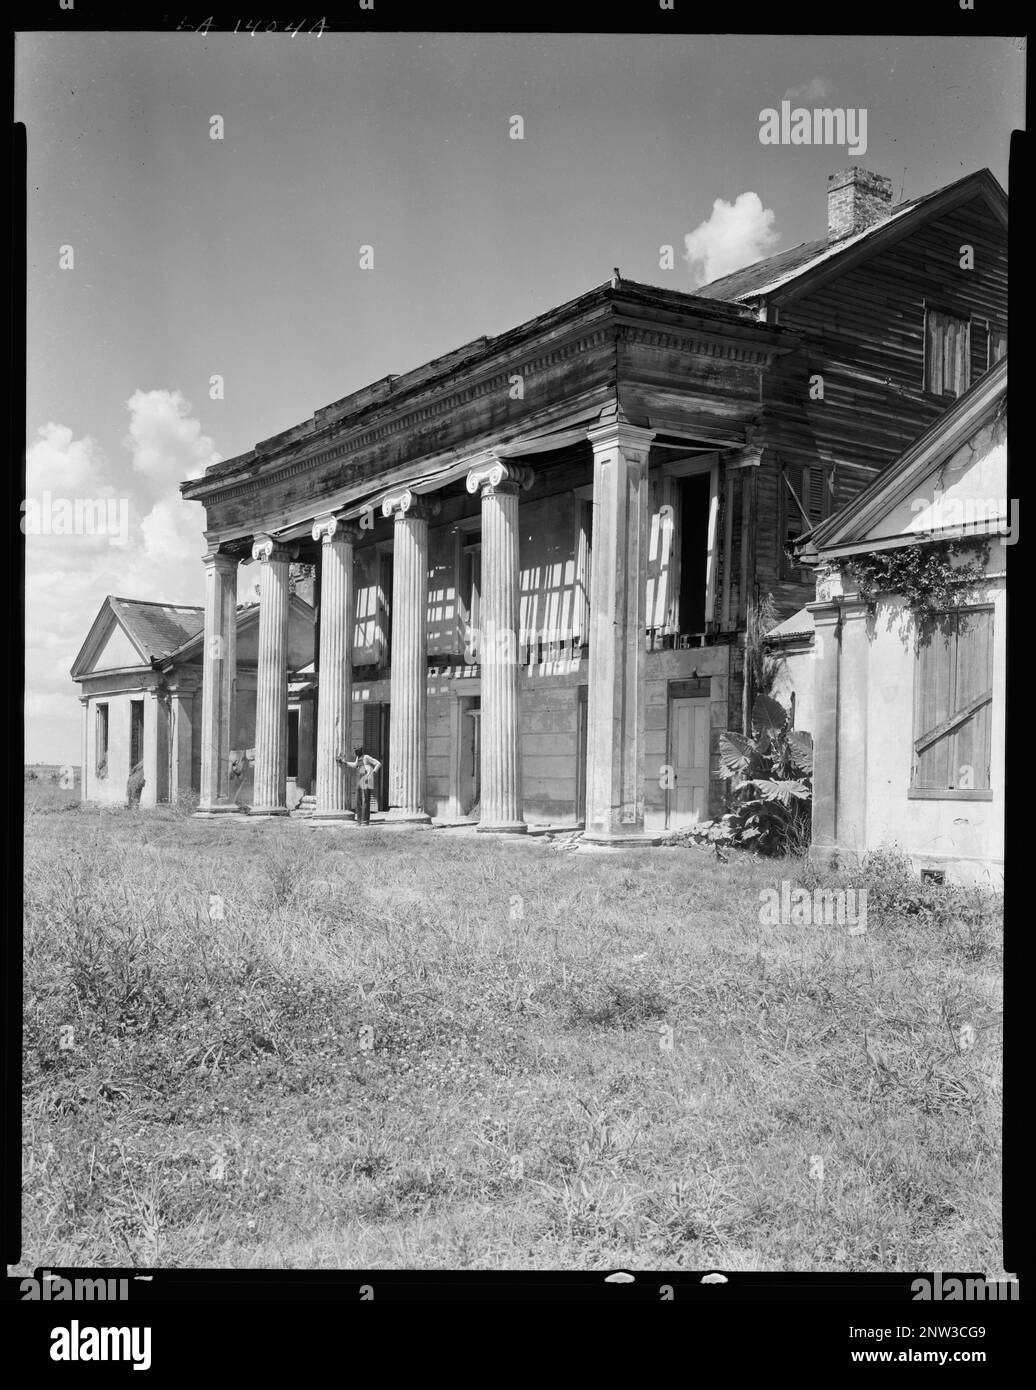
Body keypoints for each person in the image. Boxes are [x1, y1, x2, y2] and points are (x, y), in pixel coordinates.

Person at [338, 745, 381, 825]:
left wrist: (373, 773)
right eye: (355, 750)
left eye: (357, 750)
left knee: (365, 800)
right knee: (358, 800)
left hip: (366, 778)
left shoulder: (366, 757)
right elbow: (355, 765)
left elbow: (378, 763)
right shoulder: (358, 758)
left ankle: (365, 821)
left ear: (361, 750)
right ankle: (359, 820)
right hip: (359, 778)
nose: (355, 752)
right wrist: (345, 762)